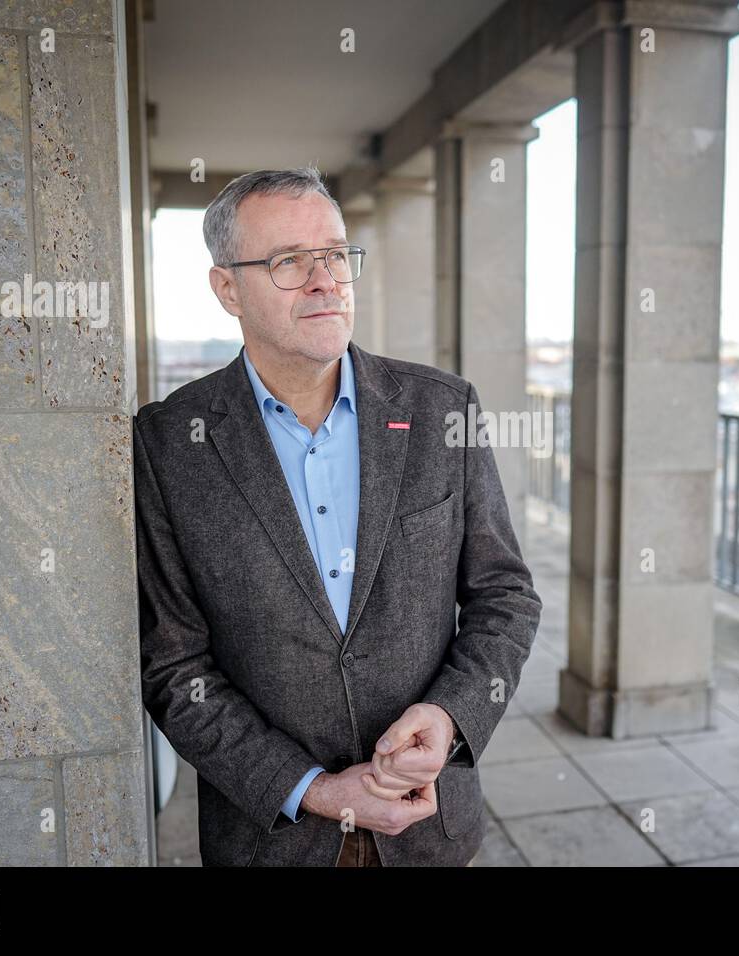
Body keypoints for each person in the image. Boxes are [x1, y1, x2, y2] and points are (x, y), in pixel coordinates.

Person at [134, 167, 542, 866]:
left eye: (334, 254)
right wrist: (314, 789)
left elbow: (505, 597)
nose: (324, 279)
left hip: (428, 827)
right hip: (273, 840)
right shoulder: (171, 442)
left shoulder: (443, 410)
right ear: (226, 288)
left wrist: (448, 717)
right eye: (289, 261)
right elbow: (174, 666)